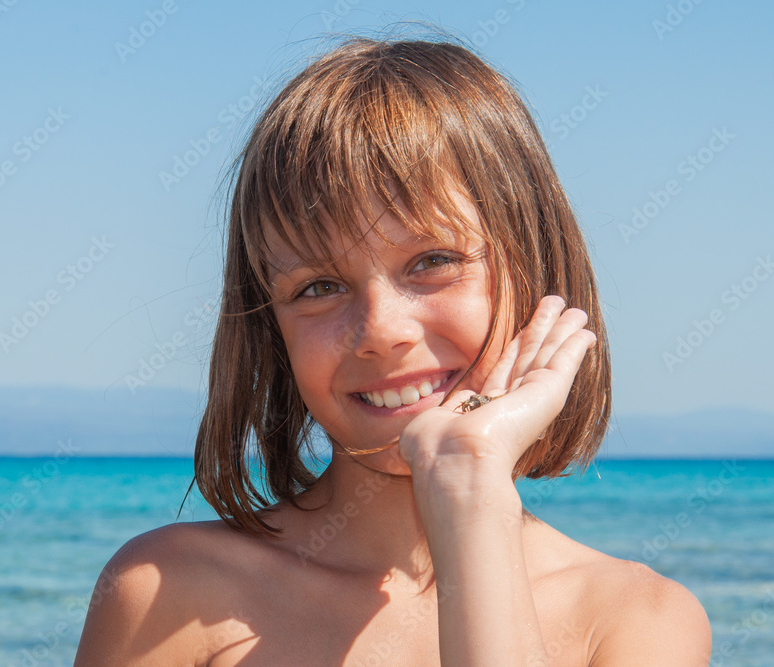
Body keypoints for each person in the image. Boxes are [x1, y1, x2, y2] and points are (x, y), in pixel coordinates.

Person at [75, 30, 711, 666]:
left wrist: (467, 487)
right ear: (273, 329)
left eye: (433, 261)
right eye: (319, 286)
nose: (381, 330)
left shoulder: (635, 621)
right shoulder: (167, 596)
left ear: (535, 264)